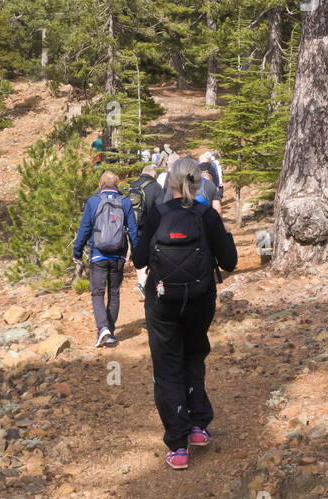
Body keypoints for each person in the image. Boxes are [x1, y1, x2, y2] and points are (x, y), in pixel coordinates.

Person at [133, 156, 237, 470]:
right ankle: (198, 426)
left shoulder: (159, 214)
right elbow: (229, 261)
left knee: (167, 368)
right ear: (197, 182)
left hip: (162, 301)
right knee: (193, 356)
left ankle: (177, 444)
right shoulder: (207, 215)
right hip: (199, 299)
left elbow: (138, 260)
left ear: (173, 183)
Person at [73, 171, 138, 348]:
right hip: (118, 255)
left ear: (101, 184)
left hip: (98, 254)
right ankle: (110, 331)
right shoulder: (124, 202)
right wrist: (135, 254)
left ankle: (103, 328)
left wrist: (77, 253)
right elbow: (133, 230)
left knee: (97, 293)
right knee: (114, 293)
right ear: (116, 184)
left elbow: (84, 229)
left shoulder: (94, 201)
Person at [125, 162, 162, 300]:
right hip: (149, 227)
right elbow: (161, 208)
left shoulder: (132, 185)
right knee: (150, 254)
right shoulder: (156, 187)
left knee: (137, 253)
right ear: (154, 175)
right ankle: (142, 284)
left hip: (133, 226)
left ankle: (141, 282)